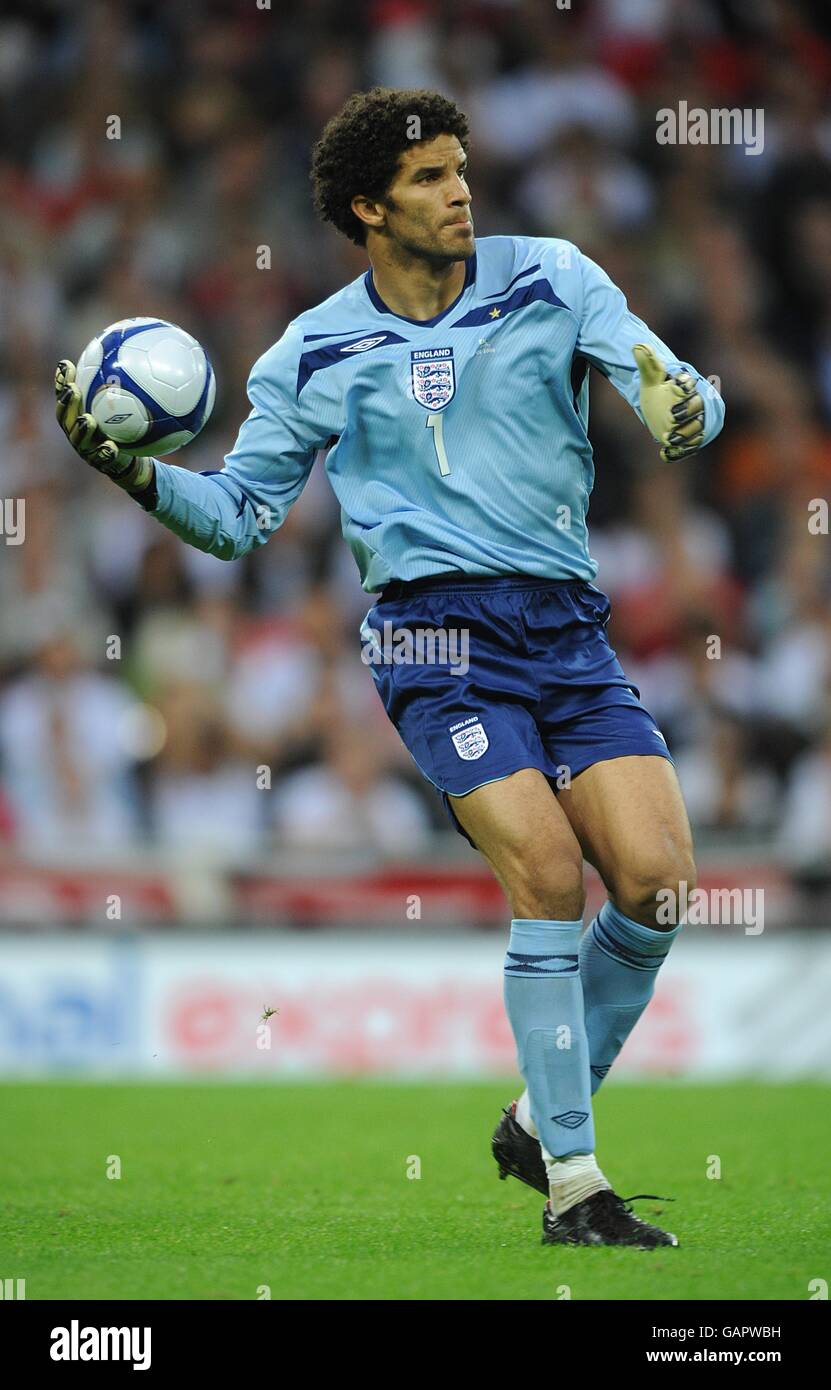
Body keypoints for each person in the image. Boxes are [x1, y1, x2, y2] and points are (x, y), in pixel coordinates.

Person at [55, 86, 724, 1250]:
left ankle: (532, 1118)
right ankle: (577, 1184)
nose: (460, 188)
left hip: (567, 628)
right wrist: (135, 475)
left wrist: (689, 409)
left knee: (661, 884)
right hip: (434, 638)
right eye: (428, 178)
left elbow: (677, 390)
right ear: (368, 206)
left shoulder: (555, 277)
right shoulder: (313, 349)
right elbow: (240, 516)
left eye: (461, 167)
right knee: (551, 875)